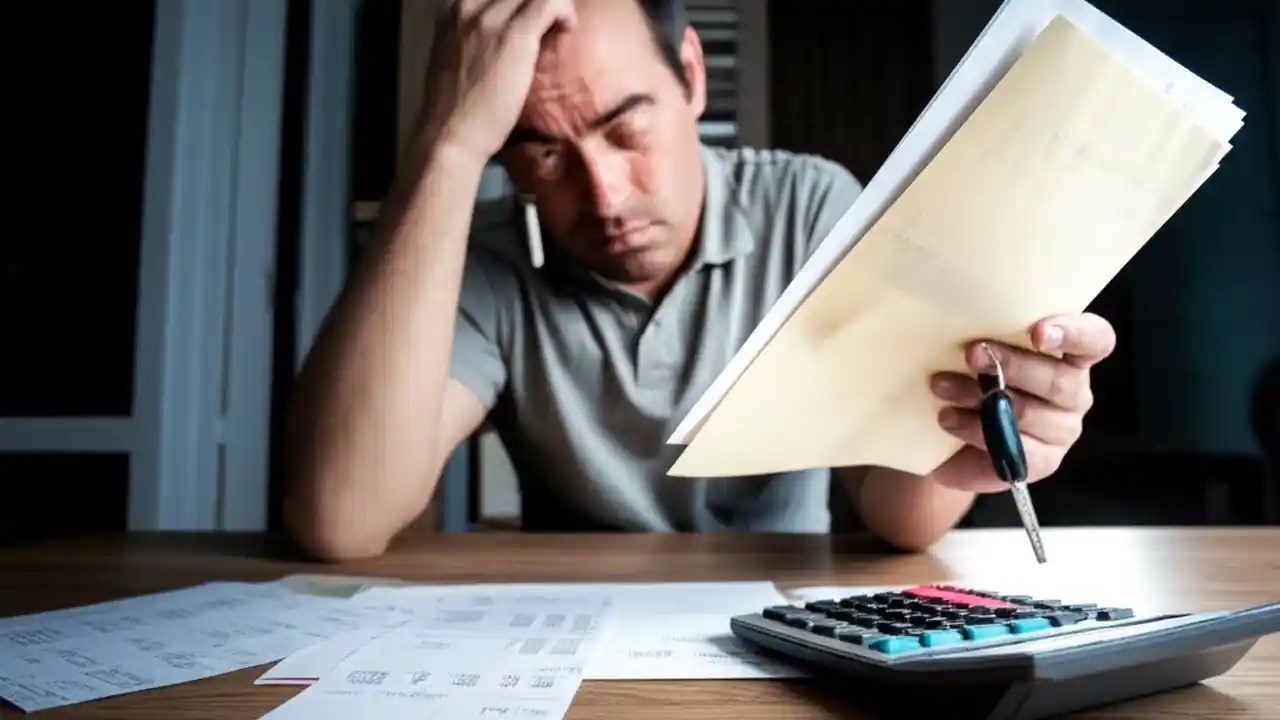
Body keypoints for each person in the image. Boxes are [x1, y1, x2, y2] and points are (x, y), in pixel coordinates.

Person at [281, 0, 1117, 560]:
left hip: (782, 612)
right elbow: (340, 518)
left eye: (626, 127)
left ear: (690, 73)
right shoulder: (488, 260)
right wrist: (447, 143)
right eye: (544, 152)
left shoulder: (807, 208)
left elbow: (900, 519)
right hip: (568, 630)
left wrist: (964, 432)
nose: (606, 198)